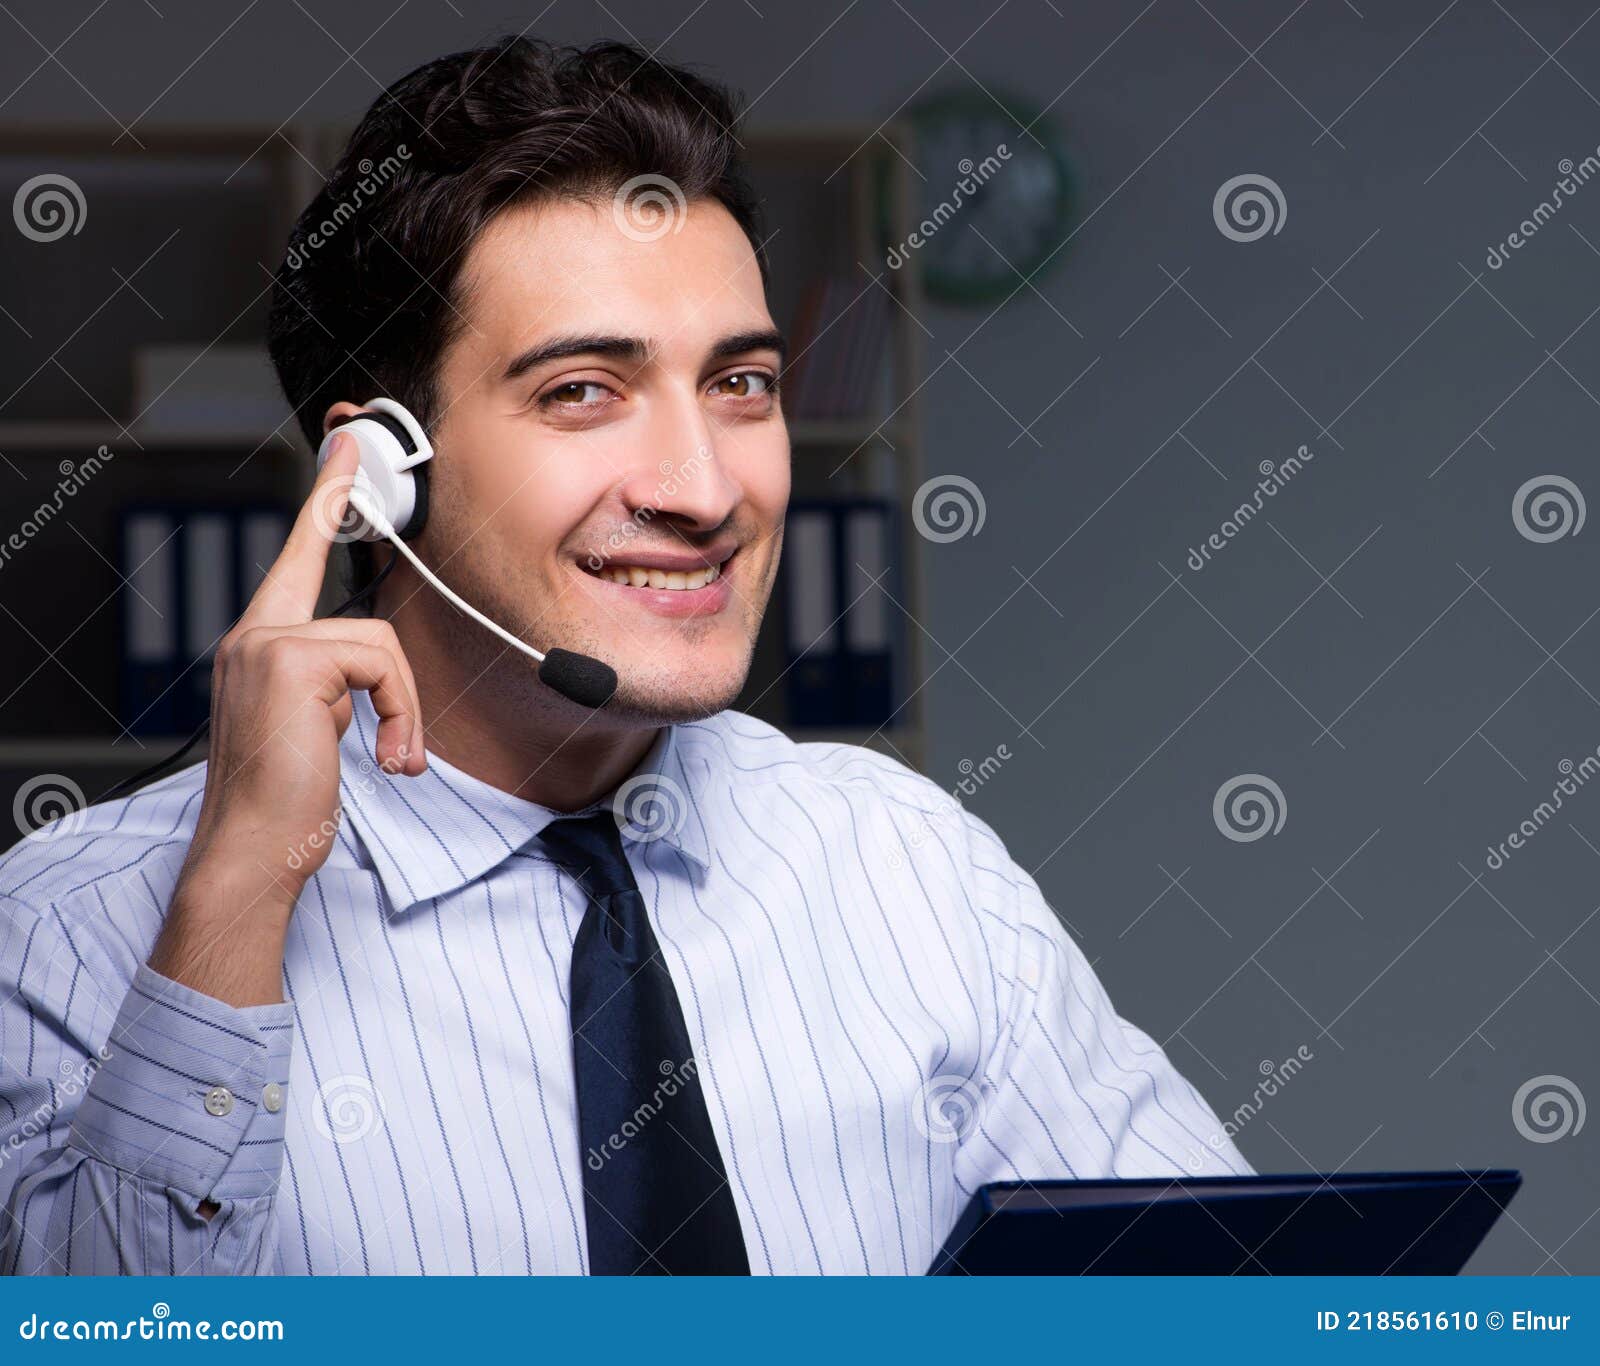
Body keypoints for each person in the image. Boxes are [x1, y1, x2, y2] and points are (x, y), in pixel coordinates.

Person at [0, 36, 1248, 1277]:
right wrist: (234, 893)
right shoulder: (70, 923)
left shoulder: (912, 867)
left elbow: (1238, 1299)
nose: (705, 489)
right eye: (585, 391)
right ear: (374, 473)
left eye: (741, 384)